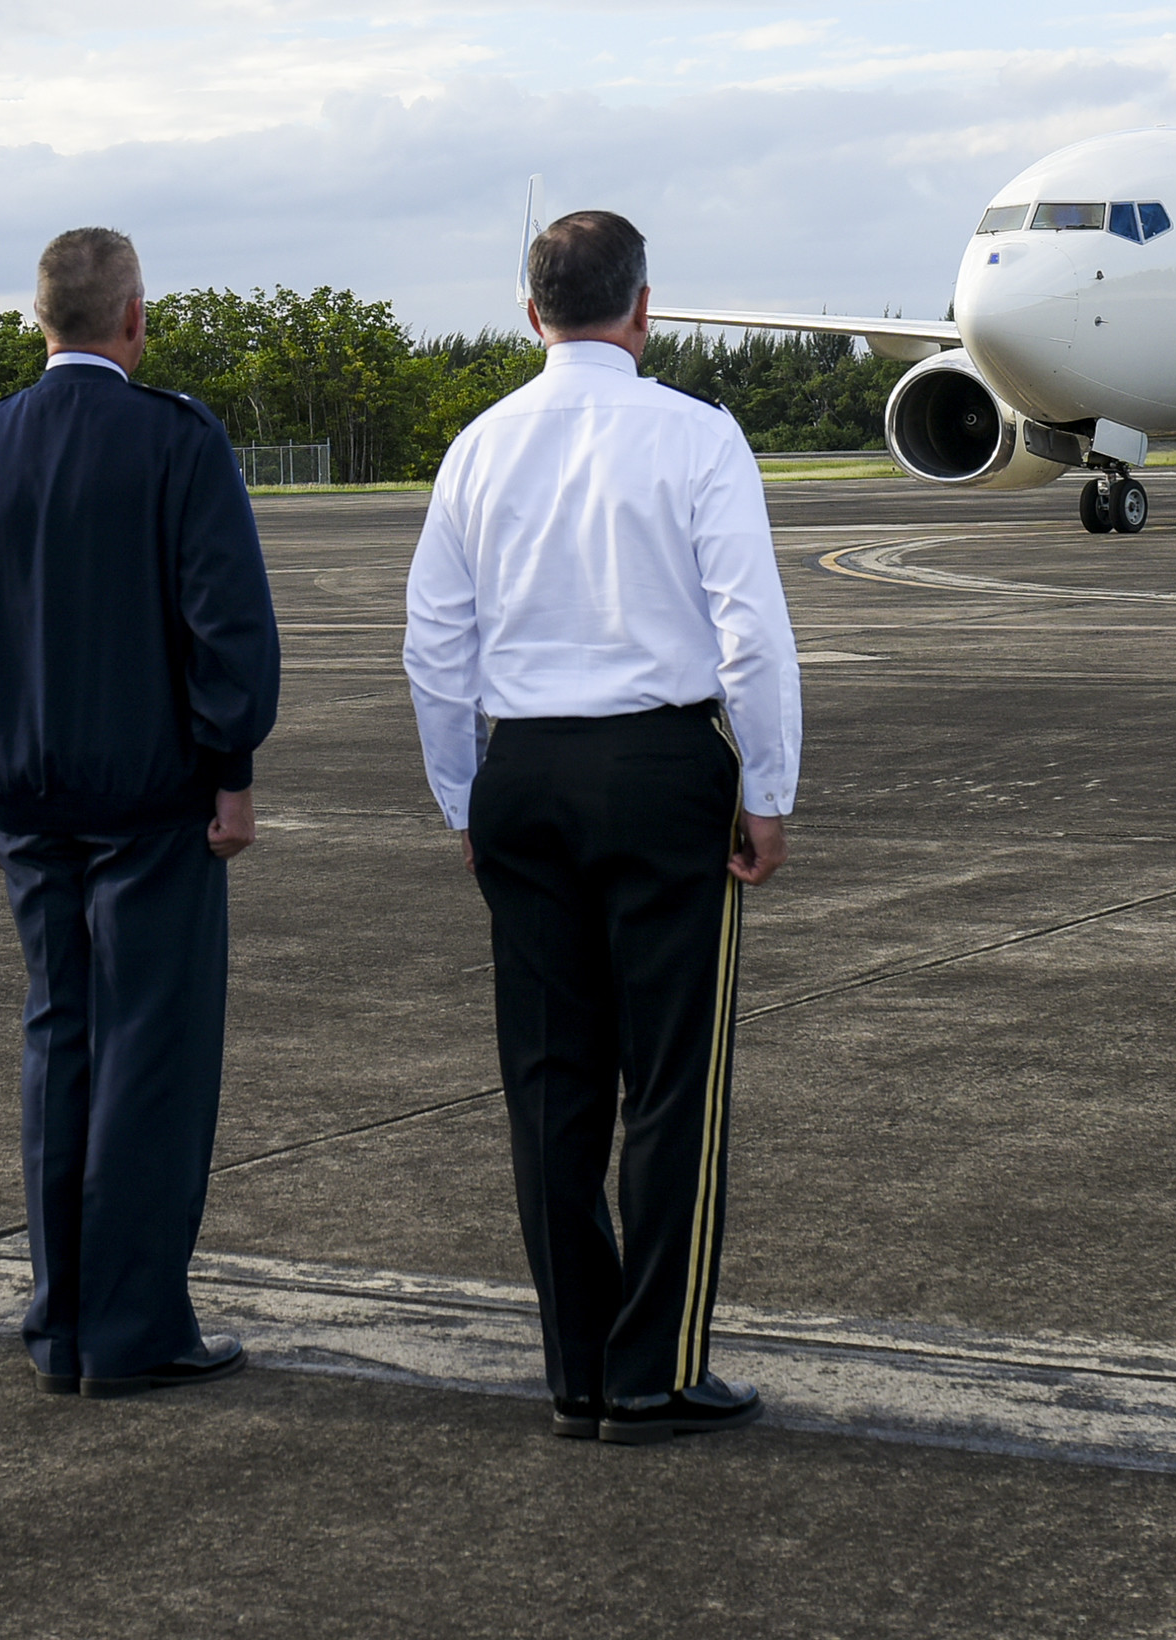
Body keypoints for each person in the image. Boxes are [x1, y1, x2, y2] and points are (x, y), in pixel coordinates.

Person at [402, 209, 800, 1444]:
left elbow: (433, 646)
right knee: (671, 1077)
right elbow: (753, 631)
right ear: (643, 308)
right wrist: (770, 790)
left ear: (533, 313)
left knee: (550, 1078)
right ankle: (653, 1367)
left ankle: (576, 1367)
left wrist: (464, 795)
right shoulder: (696, 434)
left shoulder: (477, 444)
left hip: (523, 767)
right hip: (658, 764)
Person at [0, 227, 281, 1399]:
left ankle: (61, 1319)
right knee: (151, 1051)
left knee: (58, 1039)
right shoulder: (176, 439)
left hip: (24, 798)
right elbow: (227, 623)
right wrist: (232, 765)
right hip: (150, 800)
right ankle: (134, 1326)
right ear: (135, 321)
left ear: (39, 321)